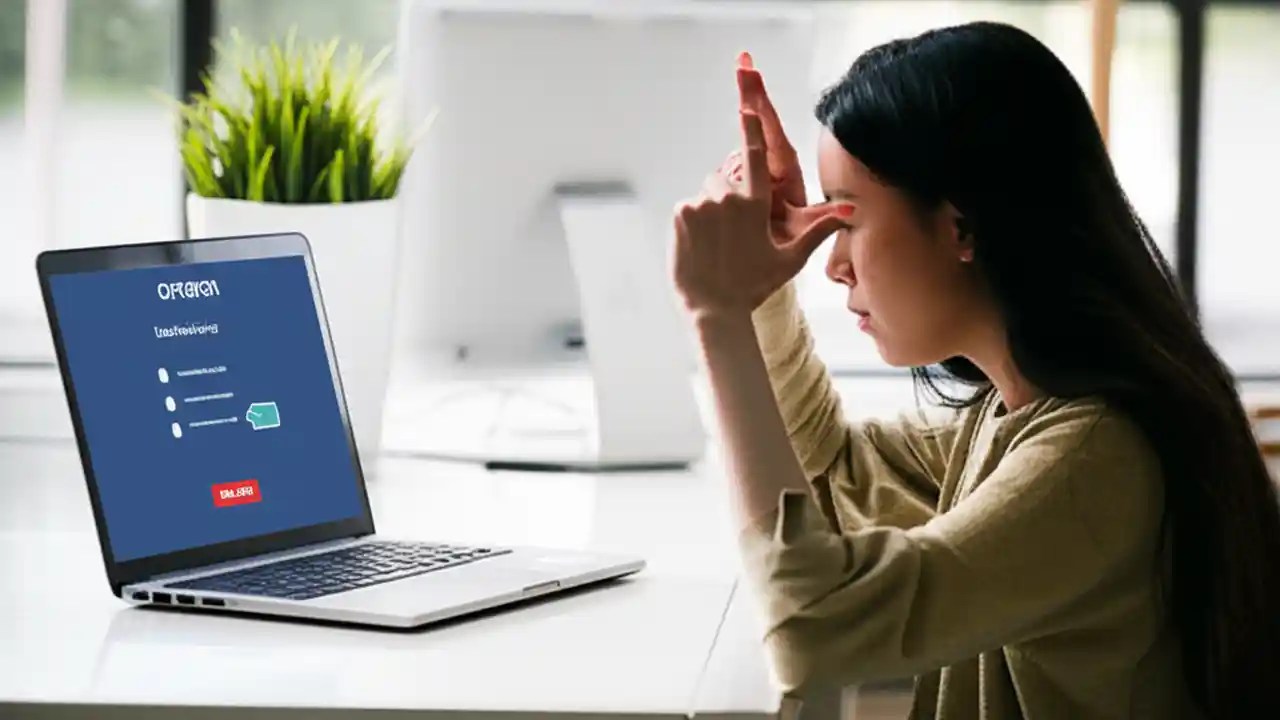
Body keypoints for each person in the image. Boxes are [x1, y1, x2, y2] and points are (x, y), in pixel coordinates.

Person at [670, 21, 1280, 720]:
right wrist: (759, 291)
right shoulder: (1018, 415)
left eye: (849, 221)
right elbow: (833, 477)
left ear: (962, 227)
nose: (831, 265)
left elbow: (817, 631)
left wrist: (718, 316)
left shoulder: (1091, 461)